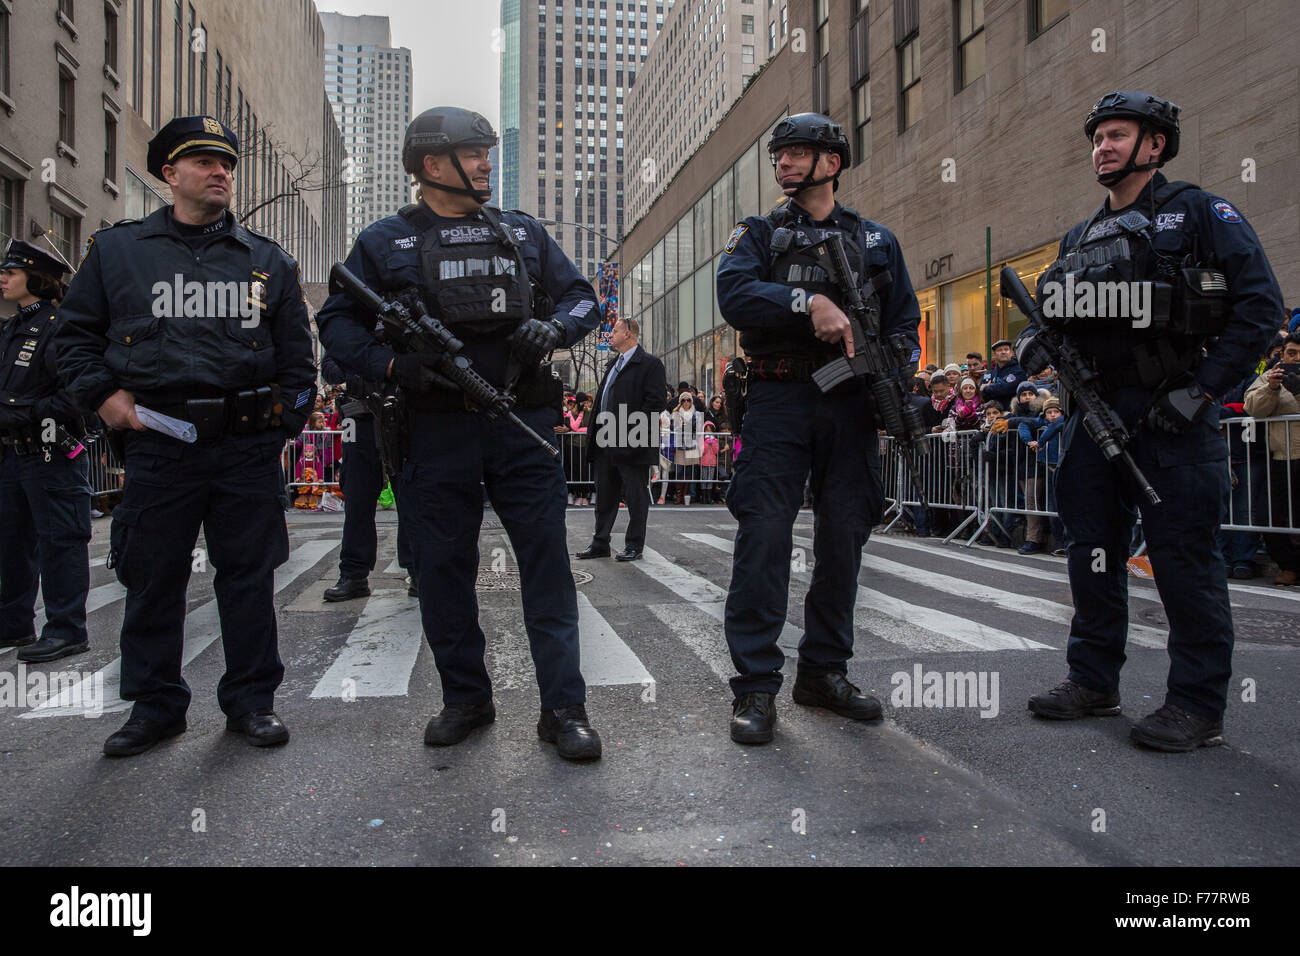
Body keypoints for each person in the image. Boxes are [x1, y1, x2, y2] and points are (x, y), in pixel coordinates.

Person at [316, 107, 603, 760]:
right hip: (432, 429)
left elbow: (583, 297)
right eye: (472, 152)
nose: (485, 163)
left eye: (487, 152)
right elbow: (336, 322)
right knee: (444, 571)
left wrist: (556, 329)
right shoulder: (385, 242)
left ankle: (564, 708)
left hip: (522, 422)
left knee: (547, 568)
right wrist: (393, 366)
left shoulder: (522, 234)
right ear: (430, 165)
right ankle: (466, 698)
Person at [1023, 91, 1284, 751]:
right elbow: (1046, 317)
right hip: (1094, 411)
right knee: (1092, 551)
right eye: (1097, 138)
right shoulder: (1081, 236)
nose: (1101, 148)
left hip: (1172, 409)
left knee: (1183, 558)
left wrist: (1202, 392)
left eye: (1116, 135)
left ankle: (1198, 706)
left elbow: (1259, 308)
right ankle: (1093, 680)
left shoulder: (1198, 212)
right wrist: (1035, 343)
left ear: (1155, 144)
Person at [56, 114, 317, 756]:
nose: (220, 172)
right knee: (152, 576)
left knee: (249, 580)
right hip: (158, 445)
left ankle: (252, 703)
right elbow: (72, 341)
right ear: (169, 174)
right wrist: (108, 401)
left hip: (244, 449)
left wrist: (278, 427)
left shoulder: (267, 261)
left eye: (226, 162)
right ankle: (155, 706)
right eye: (203, 162)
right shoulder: (117, 253)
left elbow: (297, 364)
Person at [715, 112, 921, 744]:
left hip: (851, 402)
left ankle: (824, 671)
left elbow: (904, 322)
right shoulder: (759, 233)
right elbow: (733, 294)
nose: (784, 162)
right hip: (780, 394)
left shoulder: (876, 240)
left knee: (844, 539)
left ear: (832, 163)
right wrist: (807, 303)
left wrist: (895, 379)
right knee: (766, 537)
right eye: (779, 153)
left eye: (799, 152)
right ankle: (755, 685)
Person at [0, 240, 92, 661]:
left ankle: (66, 628)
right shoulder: (12, 328)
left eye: (11, 273)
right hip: (13, 455)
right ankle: (14, 622)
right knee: (11, 541)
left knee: (60, 540)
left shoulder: (61, 326)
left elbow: (76, 396)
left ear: (36, 279)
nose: (2, 279)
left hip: (52, 450)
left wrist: (20, 412)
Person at [576, 316, 666, 561]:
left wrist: (632, 431)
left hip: (632, 440)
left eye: (615, 330)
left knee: (635, 495)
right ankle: (600, 542)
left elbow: (656, 403)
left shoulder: (649, 364)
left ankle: (634, 544)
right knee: (605, 494)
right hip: (606, 437)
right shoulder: (612, 365)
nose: (611, 335)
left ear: (629, 333)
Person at [1243, 331, 1300, 586]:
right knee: (1269, 516)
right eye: (1291, 353)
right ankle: (1288, 566)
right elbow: (1252, 407)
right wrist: (1273, 387)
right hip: (1282, 457)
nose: (1296, 359)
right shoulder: (1269, 376)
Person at [670, 391, 703, 504]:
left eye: (688, 400)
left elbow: (699, 430)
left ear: (691, 401)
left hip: (692, 444)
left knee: (689, 471)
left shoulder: (697, 414)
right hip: (680, 444)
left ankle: (685, 495)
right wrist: (680, 426)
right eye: (683, 400)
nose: (686, 402)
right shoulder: (677, 413)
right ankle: (678, 495)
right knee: (679, 471)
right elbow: (673, 429)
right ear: (680, 402)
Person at [979, 340, 1026, 405]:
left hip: (1010, 411)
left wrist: (987, 388)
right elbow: (980, 392)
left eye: (1006, 349)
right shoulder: (989, 374)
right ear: (994, 354)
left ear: (1011, 353)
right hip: (991, 411)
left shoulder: (1018, 370)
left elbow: (1005, 388)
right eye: (999, 350)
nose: (1003, 352)